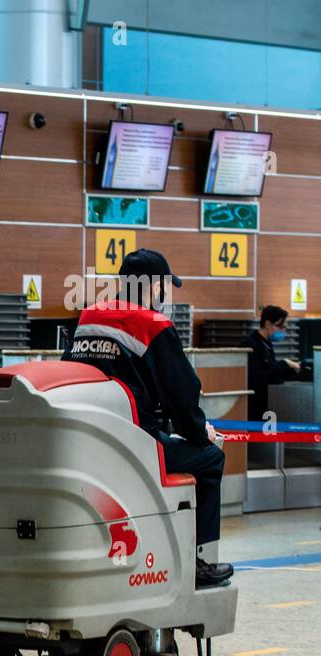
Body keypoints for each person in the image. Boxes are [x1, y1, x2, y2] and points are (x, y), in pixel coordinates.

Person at [63, 248, 233, 588]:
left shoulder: (89, 317)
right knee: (210, 459)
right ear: (153, 287)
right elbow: (181, 396)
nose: (167, 295)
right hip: (136, 445)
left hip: (86, 442)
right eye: (166, 287)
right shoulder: (153, 326)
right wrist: (202, 434)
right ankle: (201, 561)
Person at [245, 305, 300, 421]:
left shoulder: (266, 344)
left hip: (268, 402)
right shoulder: (251, 345)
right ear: (268, 324)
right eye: (281, 326)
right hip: (255, 406)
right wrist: (284, 364)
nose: (283, 331)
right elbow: (260, 377)